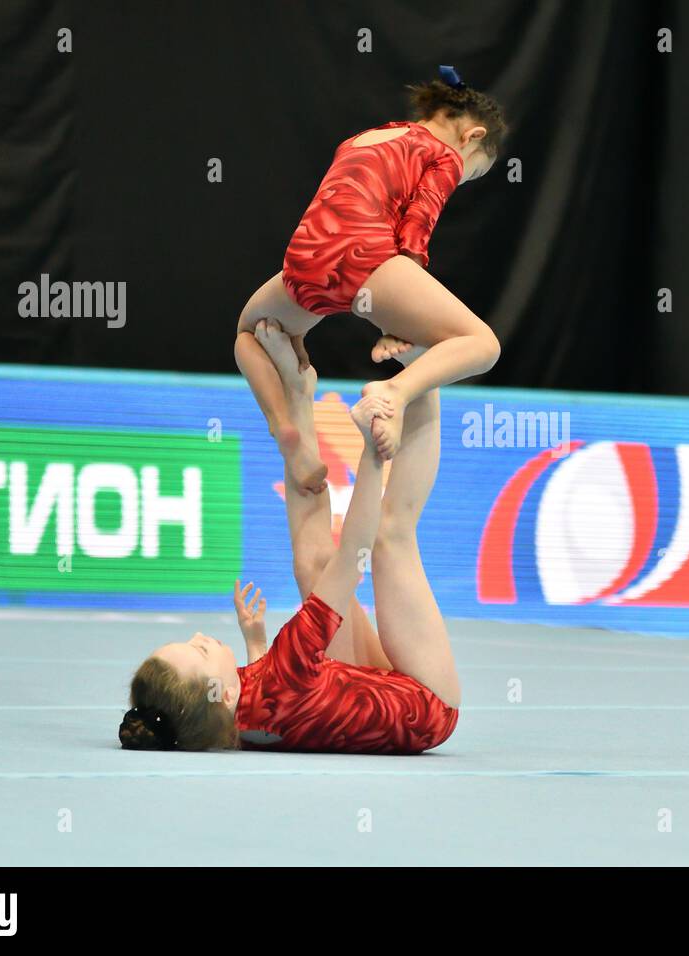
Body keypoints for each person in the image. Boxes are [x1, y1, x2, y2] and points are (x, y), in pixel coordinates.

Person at [120, 322, 460, 754]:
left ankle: (298, 391)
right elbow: (353, 552)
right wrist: (372, 453)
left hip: (357, 687)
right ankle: (423, 380)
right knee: (389, 537)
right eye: (201, 652)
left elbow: (270, 709)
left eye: (188, 641)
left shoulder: (215, 729)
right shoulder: (285, 672)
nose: (201, 637)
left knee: (311, 566)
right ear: (223, 695)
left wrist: (255, 642)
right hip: (427, 703)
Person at [233, 66, 507, 495]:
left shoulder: (372, 134)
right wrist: (399, 320)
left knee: (248, 333)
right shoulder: (445, 153)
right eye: (473, 173)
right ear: (471, 137)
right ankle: (394, 392)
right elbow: (417, 228)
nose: (463, 177)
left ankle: (285, 429)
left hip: (304, 260)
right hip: (363, 255)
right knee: (483, 345)